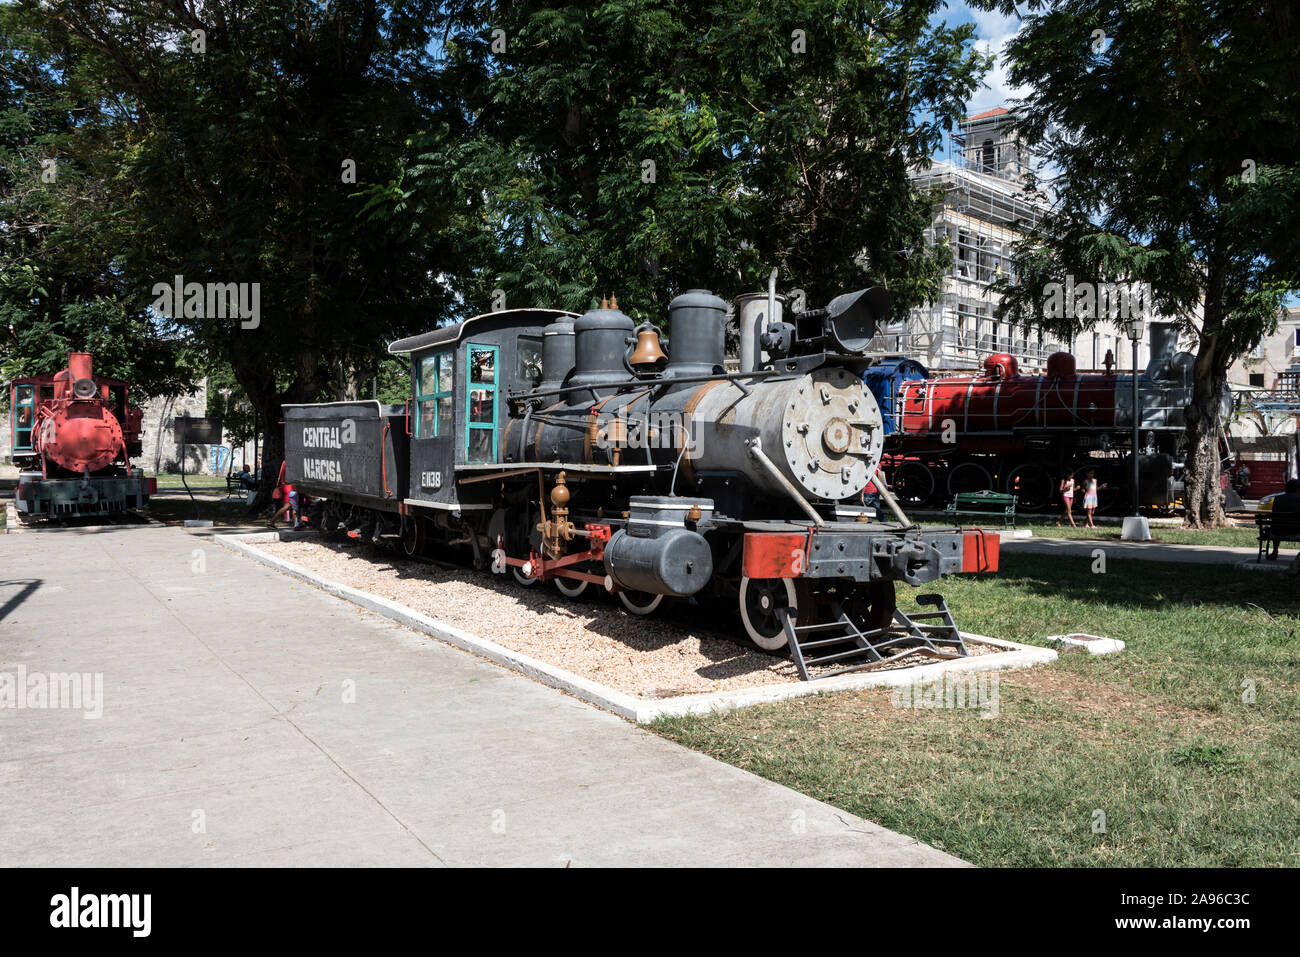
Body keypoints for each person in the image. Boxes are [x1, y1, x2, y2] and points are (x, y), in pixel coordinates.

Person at [1267, 478, 1300, 559]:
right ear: (1296, 489)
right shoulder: (1298, 499)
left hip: (1276, 532)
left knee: (1278, 523)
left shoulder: (1277, 499)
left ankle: (1275, 551)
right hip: (1295, 532)